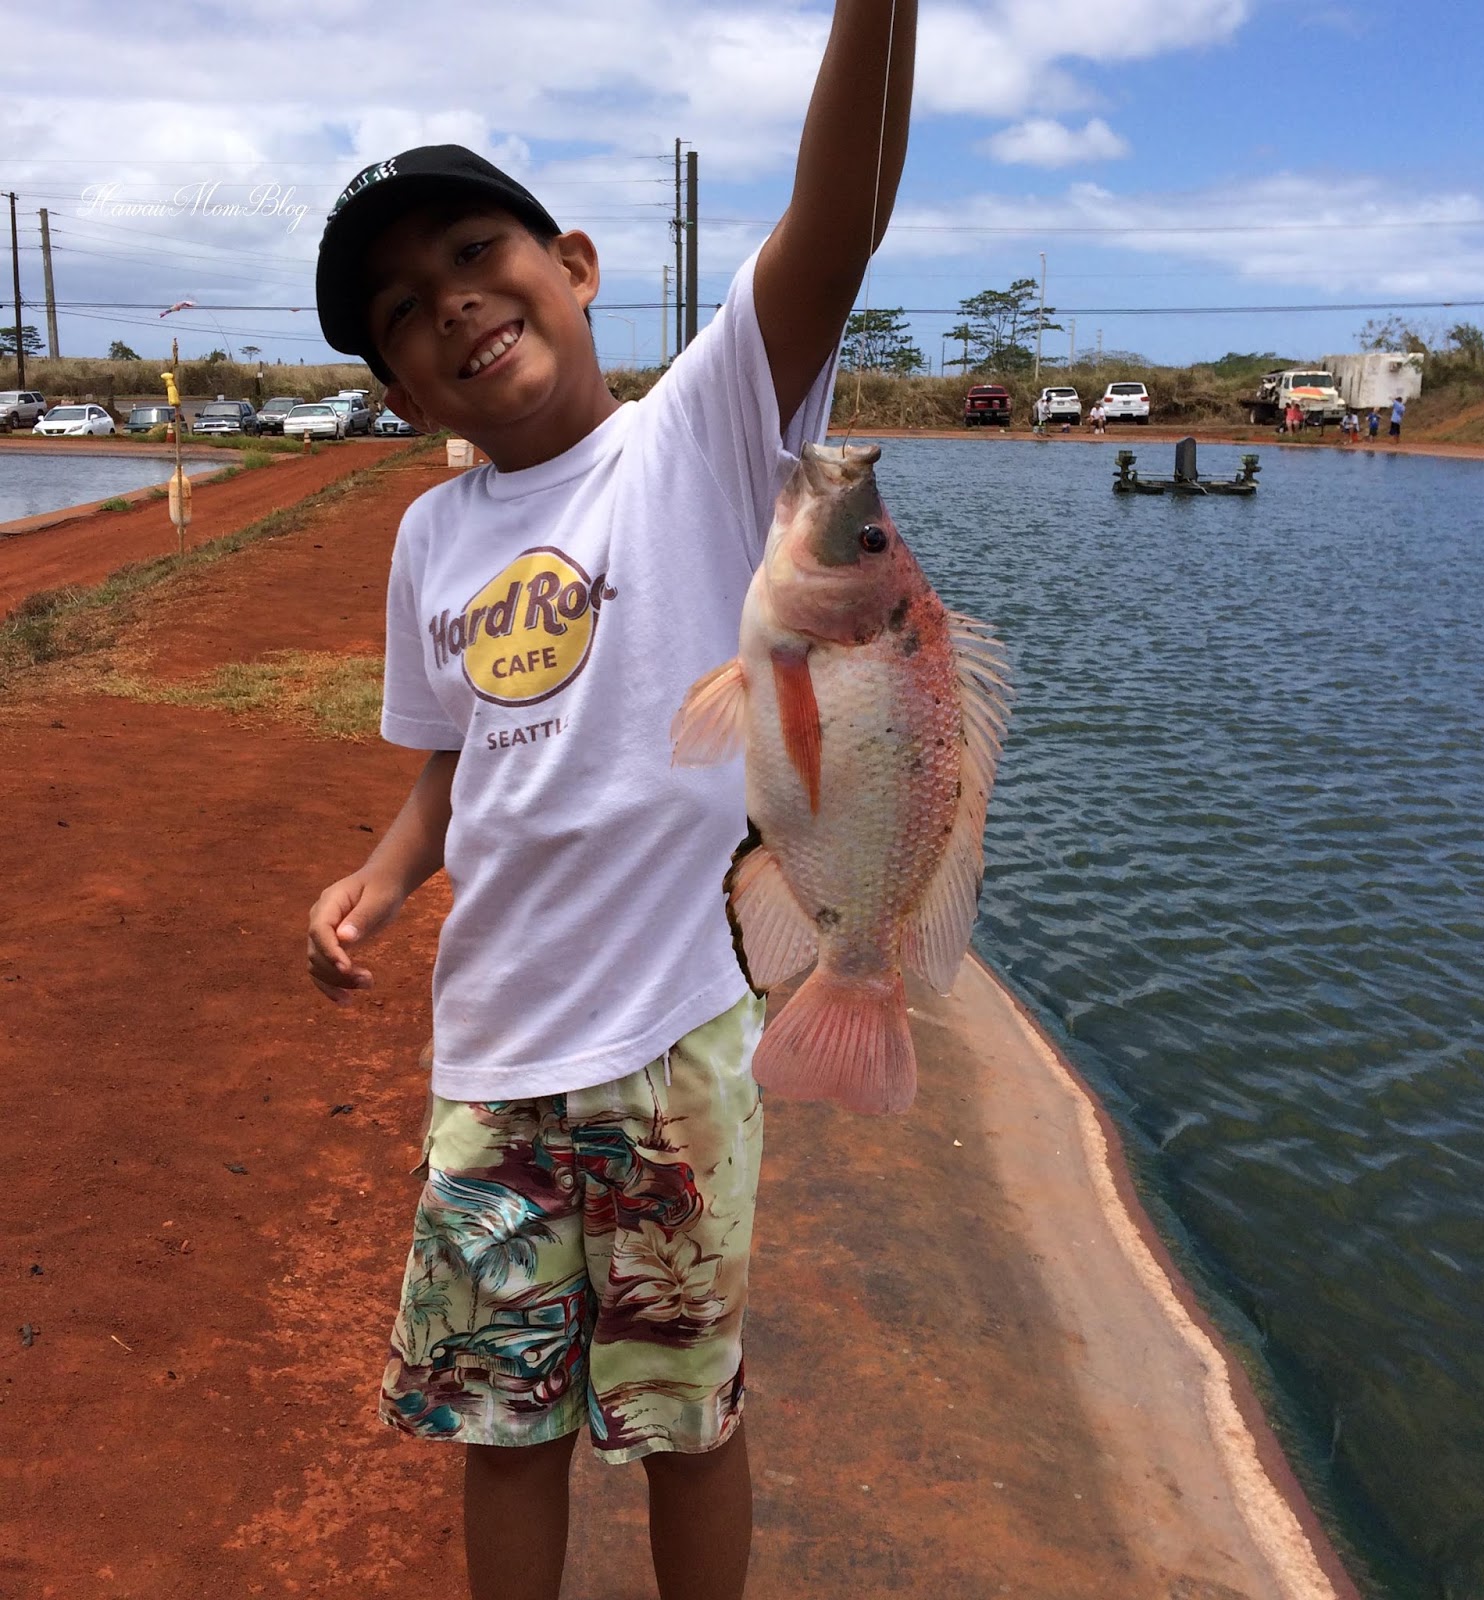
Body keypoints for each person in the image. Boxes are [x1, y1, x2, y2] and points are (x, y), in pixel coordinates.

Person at [303, 8, 915, 1599]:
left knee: (685, 1420)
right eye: (401, 309)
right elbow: (455, 763)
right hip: (491, 1055)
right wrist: (381, 879)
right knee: (503, 1430)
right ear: (397, 390)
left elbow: (836, 223)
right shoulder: (430, 539)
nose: (451, 303)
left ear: (573, 266)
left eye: (475, 253)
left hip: (673, 1043)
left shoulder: (700, 438)